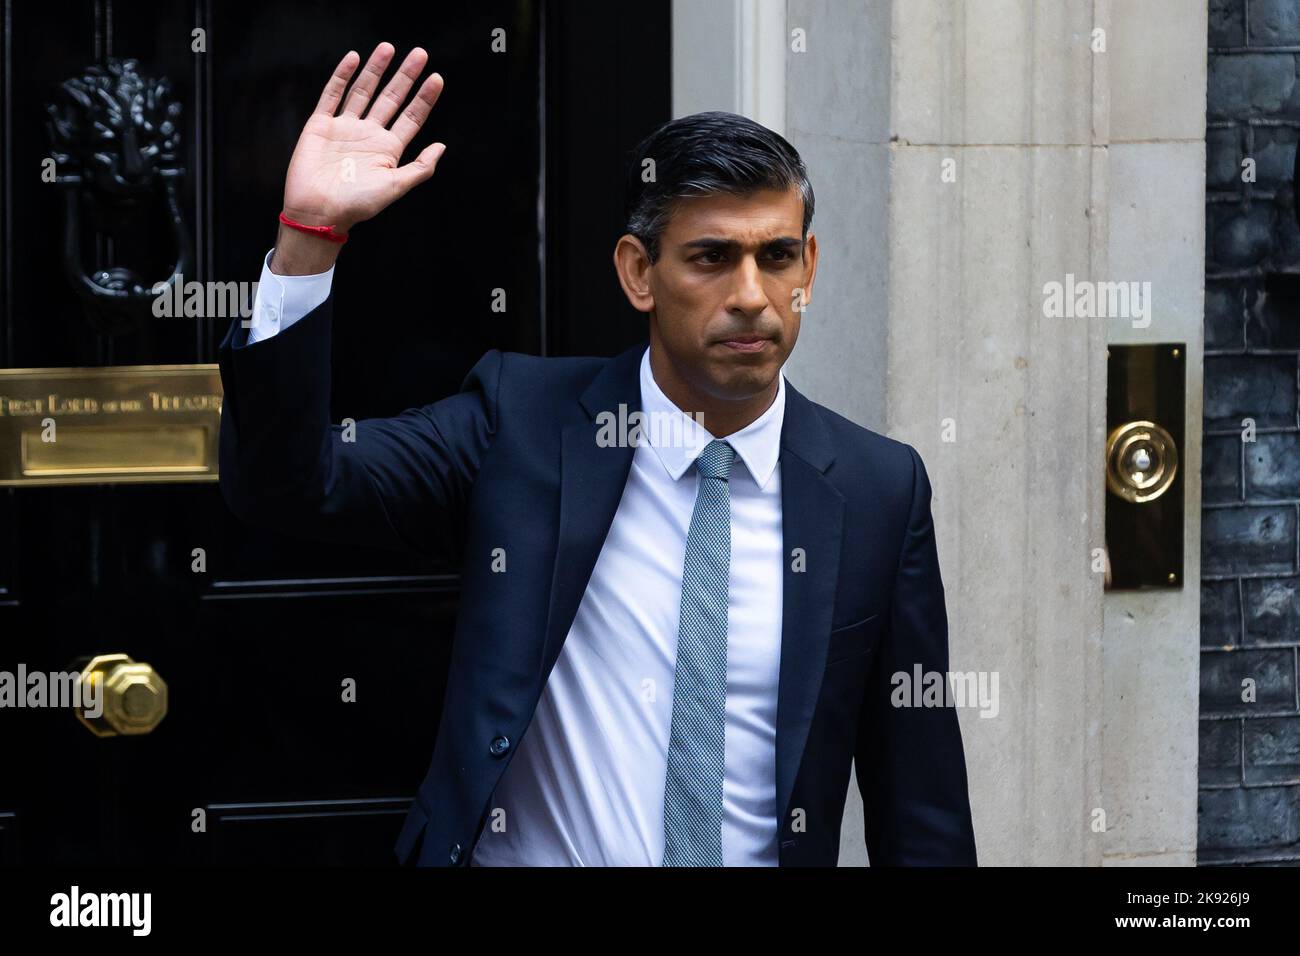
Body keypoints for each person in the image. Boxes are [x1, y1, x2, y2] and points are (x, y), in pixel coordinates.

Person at [217, 41, 977, 867]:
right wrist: (309, 242)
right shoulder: (523, 426)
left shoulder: (876, 489)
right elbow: (290, 486)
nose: (752, 296)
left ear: (810, 267)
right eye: (712, 258)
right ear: (638, 274)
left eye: (777, 256)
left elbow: (921, 807)